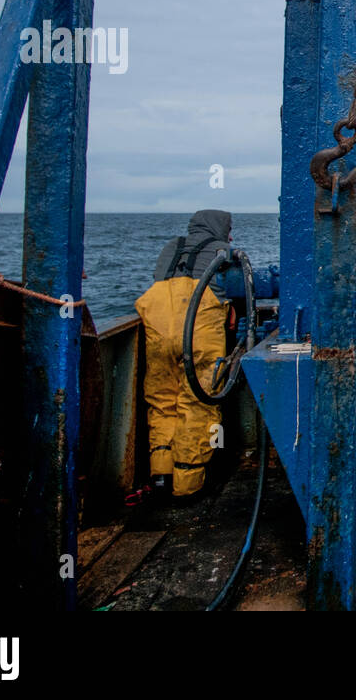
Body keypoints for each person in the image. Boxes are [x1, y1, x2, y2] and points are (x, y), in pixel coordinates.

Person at [134, 210, 234, 501]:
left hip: (158, 330)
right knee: (197, 402)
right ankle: (188, 485)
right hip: (198, 333)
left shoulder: (171, 248)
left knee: (162, 401)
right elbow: (240, 287)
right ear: (220, 229)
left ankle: (161, 477)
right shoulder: (224, 251)